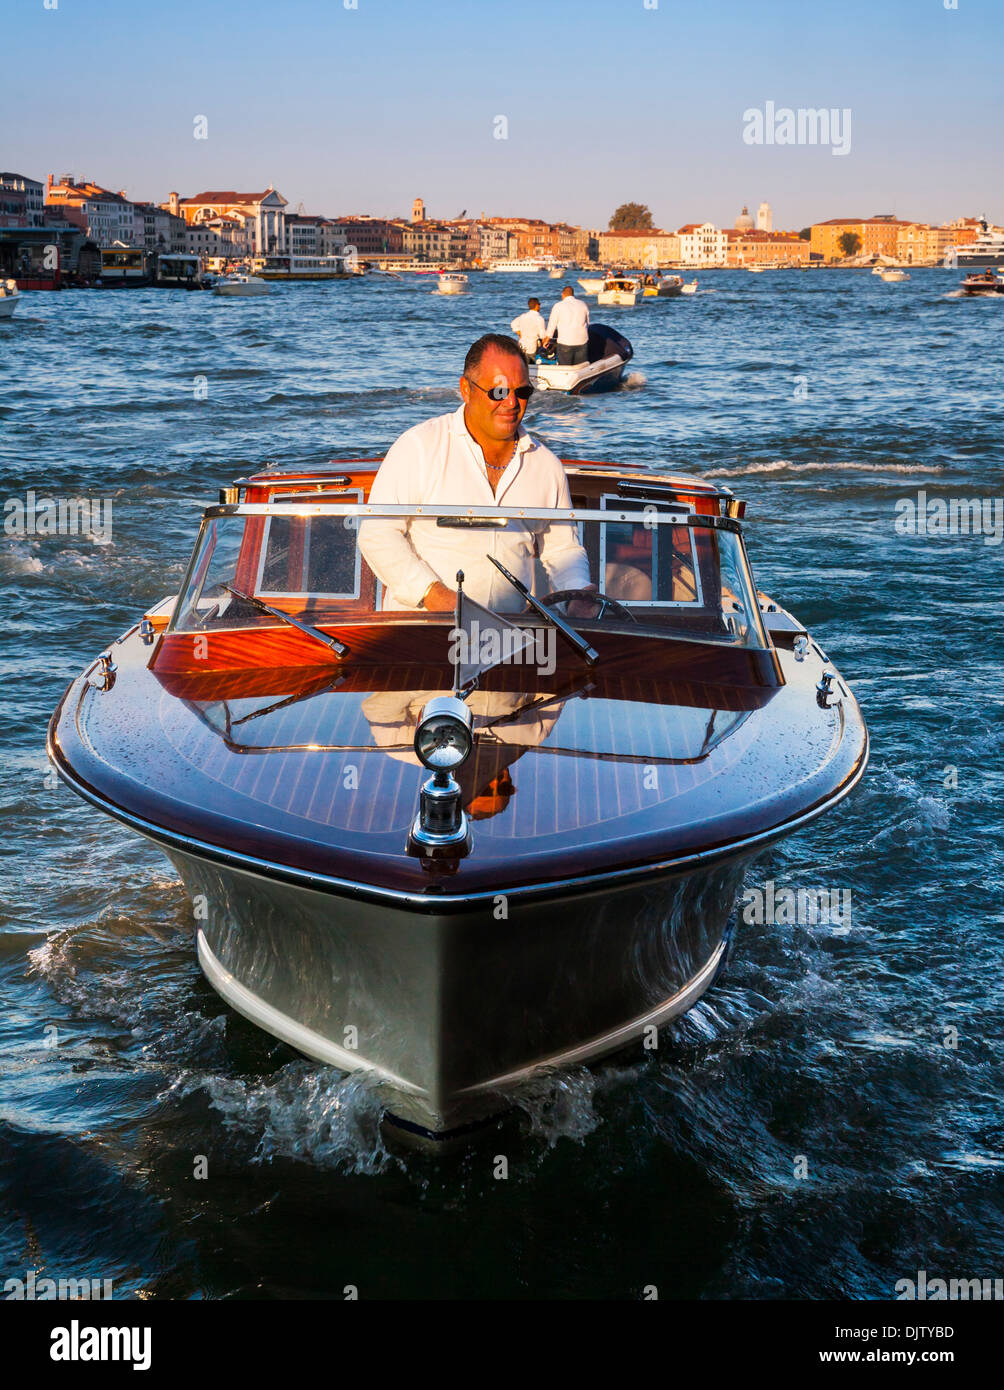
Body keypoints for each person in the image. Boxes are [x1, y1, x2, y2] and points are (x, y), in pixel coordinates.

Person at [358, 333, 596, 615]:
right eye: (498, 392)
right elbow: (377, 533)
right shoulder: (419, 446)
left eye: (522, 392)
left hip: (509, 638)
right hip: (421, 631)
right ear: (466, 390)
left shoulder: (545, 465)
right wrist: (431, 594)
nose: (511, 403)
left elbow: (562, 549)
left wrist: (578, 592)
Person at [544, 285, 590, 365]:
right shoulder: (583, 304)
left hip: (565, 342)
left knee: (565, 368)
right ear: (573, 294)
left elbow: (552, 325)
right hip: (582, 341)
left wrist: (546, 340)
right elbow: (587, 323)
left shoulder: (558, 306)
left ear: (563, 294)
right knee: (580, 367)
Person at [510, 297, 546, 361]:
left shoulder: (523, 316)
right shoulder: (539, 319)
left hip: (522, 345)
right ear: (537, 305)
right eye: (539, 304)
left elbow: (513, 324)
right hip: (532, 348)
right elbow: (542, 336)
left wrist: (520, 334)